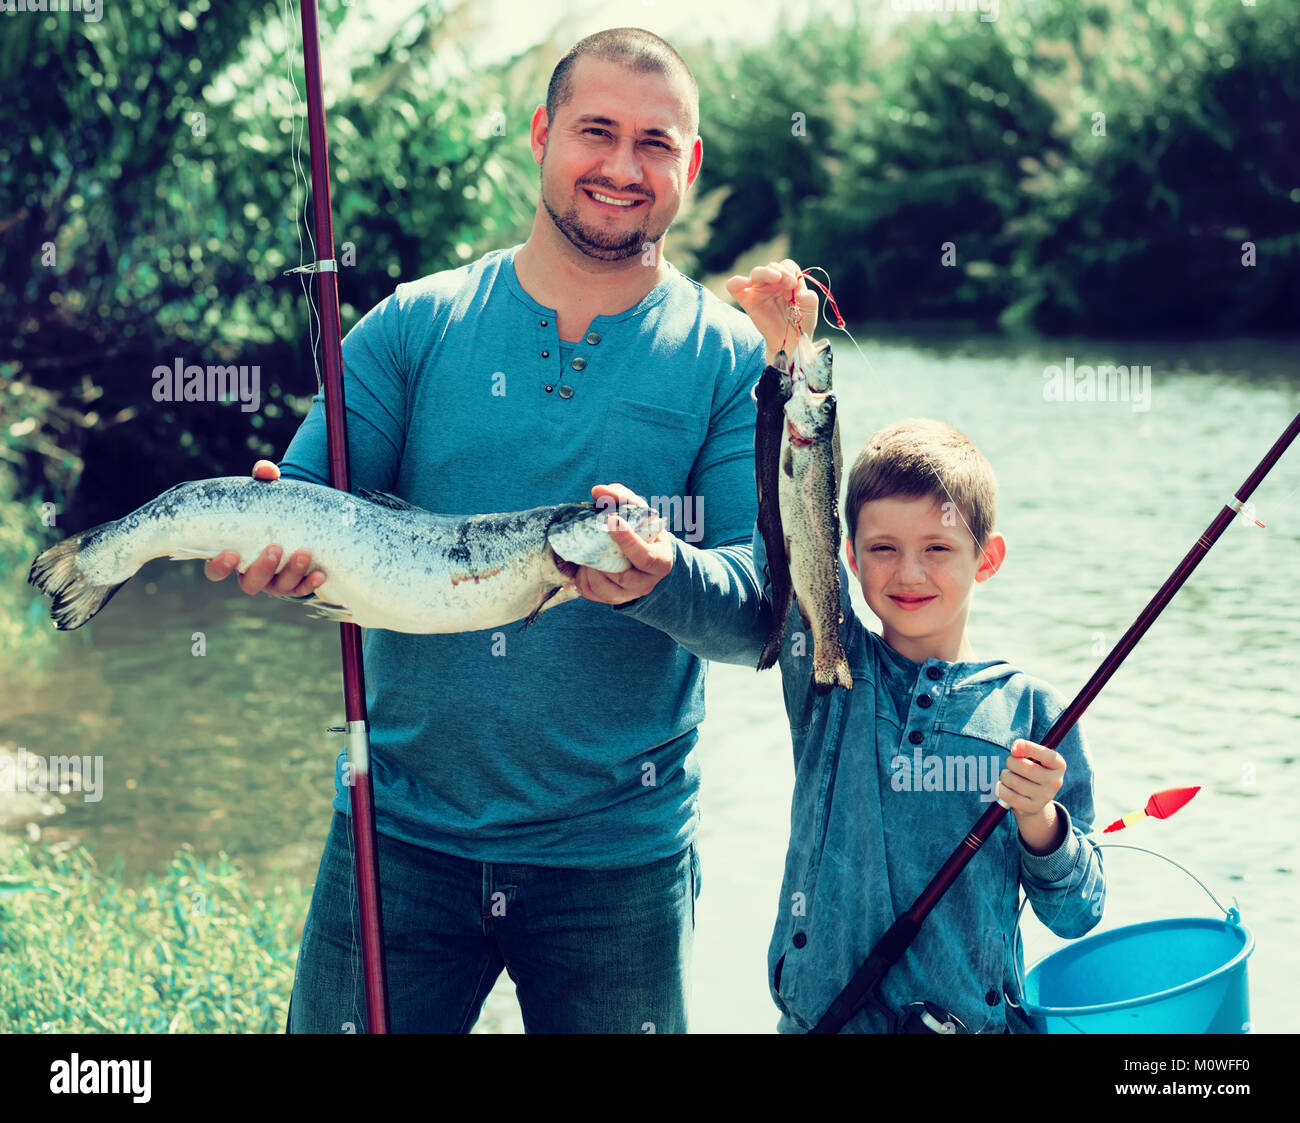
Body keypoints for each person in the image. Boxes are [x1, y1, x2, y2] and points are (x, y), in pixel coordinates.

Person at [203, 27, 805, 1034]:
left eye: (654, 143)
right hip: (395, 837)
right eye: (594, 132)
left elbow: (756, 621)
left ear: (690, 165)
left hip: (619, 863)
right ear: (540, 135)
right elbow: (307, 500)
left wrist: (663, 575)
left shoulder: (732, 362)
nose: (620, 167)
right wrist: (273, 543)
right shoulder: (411, 324)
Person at [741, 347, 1106, 1031]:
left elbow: (1079, 910)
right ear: (848, 555)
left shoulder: (1033, 711)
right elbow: (786, 537)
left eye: (938, 547)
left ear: (986, 559)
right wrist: (782, 365)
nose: (909, 571)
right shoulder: (831, 670)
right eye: (882, 548)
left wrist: (1040, 820)